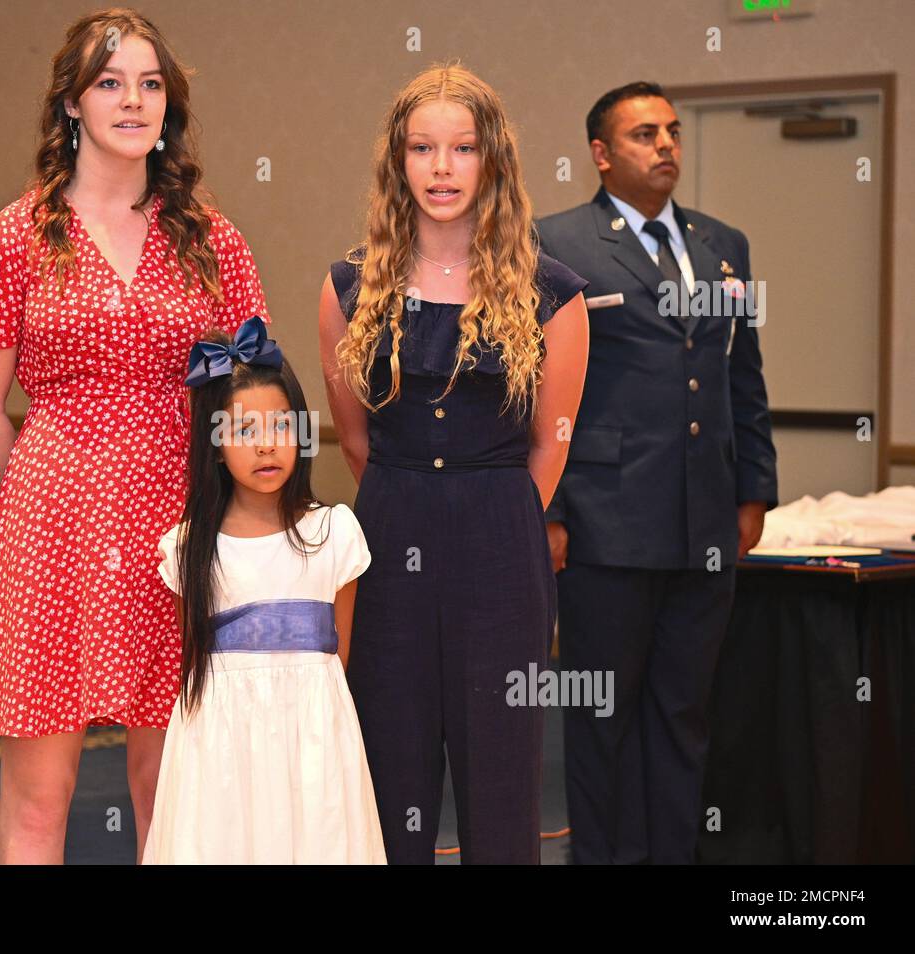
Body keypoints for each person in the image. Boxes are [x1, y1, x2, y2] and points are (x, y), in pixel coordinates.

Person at [0, 9, 270, 864]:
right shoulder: (9, 240)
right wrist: (44, 507)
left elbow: (252, 394)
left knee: (172, 787)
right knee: (40, 796)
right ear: (72, 105)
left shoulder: (211, 240)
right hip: (50, 530)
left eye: (151, 84)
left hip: (180, 526)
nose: (134, 101)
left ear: (171, 105)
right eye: (110, 82)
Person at [318, 62, 590, 864]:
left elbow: (550, 447)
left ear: (492, 160)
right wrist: (417, 510)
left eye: (463, 149)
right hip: (388, 536)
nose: (442, 168)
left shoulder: (555, 293)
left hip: (503, 544)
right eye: (423, 148)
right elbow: (355, 440)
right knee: (387, 767)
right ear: (397, 162)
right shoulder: (349, 287)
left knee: (501, 777)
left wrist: (483, 516)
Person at [535, 81, 778, 864]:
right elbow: (542, 391)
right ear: (601, 155)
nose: (667, 144)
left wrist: (754, 489)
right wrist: (550, 510)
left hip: (704, 521)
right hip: (604, 523)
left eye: (672, 131)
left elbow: (745, 374)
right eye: (644, 134)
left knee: (683, 715)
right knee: (602, 717)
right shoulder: (555, 243)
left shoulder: (725, 244)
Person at [141, 318, 385, 864]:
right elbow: (194, 654)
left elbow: (338, 656)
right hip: (220, 749)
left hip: (315, 742)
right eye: (243, 432)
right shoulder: (188, 549)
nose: (266, 446)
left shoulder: (334, 533)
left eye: (280, 426)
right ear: (215, 446)